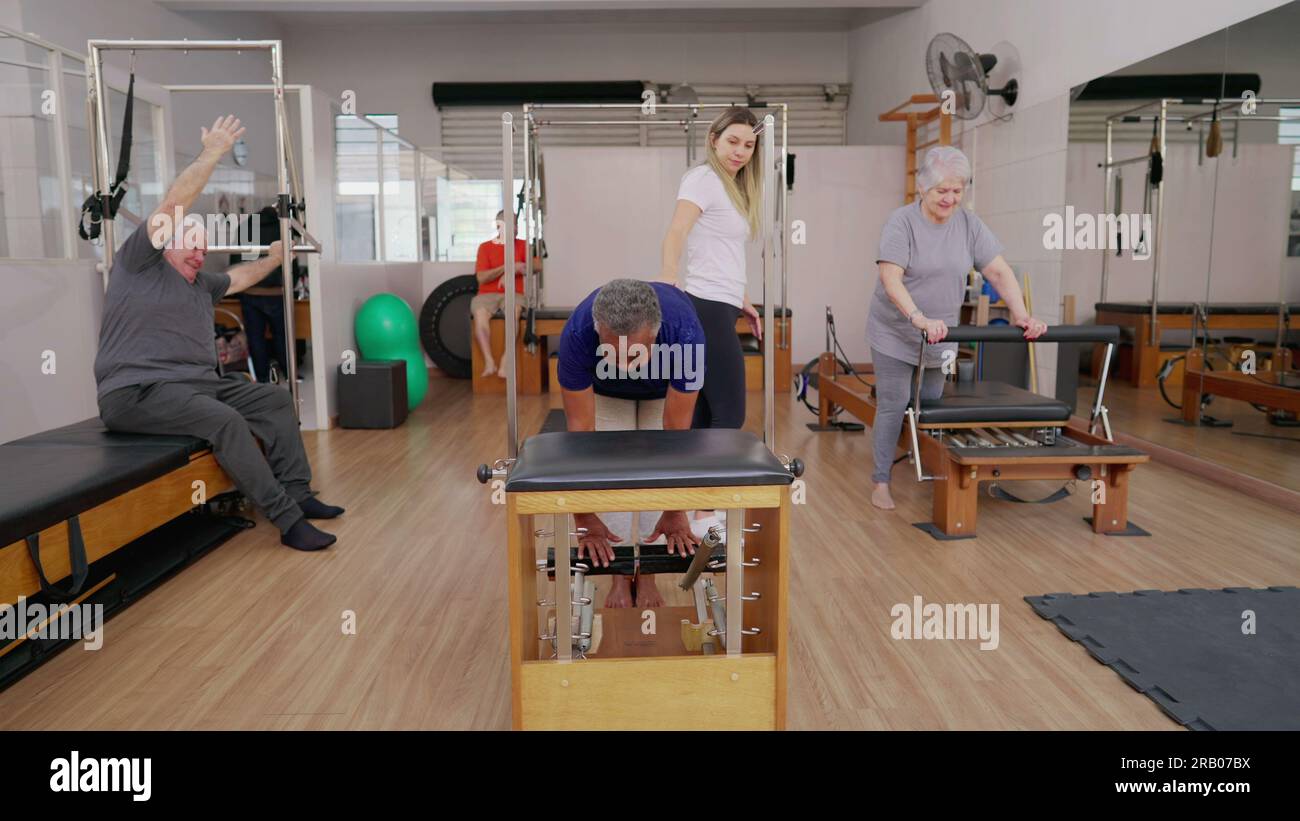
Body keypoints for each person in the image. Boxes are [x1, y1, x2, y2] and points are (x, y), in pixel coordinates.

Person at [94, 115, 343, 551]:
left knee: (274, 398)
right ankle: (287, 520)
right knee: (226, 421)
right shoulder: (138, 265)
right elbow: (173, 204)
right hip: (136, 392)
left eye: (203, 246)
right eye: (192, 244)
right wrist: (212, 153)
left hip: (197, 385)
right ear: (166, 243)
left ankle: (299, 493)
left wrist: (274, 259)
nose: (200, 252)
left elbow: (240, 277)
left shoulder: (200, 284)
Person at [869, 145, 1048, 511]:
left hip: (941, 334)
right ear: (922, 187)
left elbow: (998, 271)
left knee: (931, 401)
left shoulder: (969, 225)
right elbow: (891, 278)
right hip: (895, 330)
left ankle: (927, 464)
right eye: (942, 190)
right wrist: (917, 317)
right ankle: (881, 480)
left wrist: (1021, 314)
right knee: (894, 402)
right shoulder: (901, 222)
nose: (950, 198)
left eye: (957, 190)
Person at [557, 278, 705, 608]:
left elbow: (676, 434)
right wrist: (584, 517)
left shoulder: (685, 332)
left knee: (657, 470)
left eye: (634, 353)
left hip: (662, 391)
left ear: (655, 333)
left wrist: (675, 508)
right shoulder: (578, 332)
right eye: (615, 352)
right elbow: (580, 431)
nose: (625, 366)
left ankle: (647, 573)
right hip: (605, 392)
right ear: (598, 329)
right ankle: (621, 576)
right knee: (609, 474)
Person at [660, 106, 763, 430]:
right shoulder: (703, 178)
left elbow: (724, 252)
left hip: (723, 304)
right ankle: (712, 468)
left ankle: (687, 465)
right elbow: (677, 230)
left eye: (748, 145)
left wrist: (742, 299)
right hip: (708, 306)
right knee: (730, 416)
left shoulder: (732, 187)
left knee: (704, 414)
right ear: (714, 139)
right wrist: (667, 277)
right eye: (733, 141)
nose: (740, 151)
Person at [228, 205, 294, 382]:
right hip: (276, 293)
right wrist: (291, 284)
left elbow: (235, 260)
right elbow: (291, 261)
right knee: (282, 336)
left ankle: (261, 377)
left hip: (250, 292)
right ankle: (289, 373)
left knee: (255, 337)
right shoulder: (282, 229)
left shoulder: (245, 227)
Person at [472, 210, 542, 378]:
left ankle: (505, 361)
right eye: (510, 225)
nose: (515, 228)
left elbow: (537, 267)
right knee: (480, 316)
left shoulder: (523, 245)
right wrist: (508, 267)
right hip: (487, 294)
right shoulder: (485, 247)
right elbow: (481, 277)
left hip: (514, 293)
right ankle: (489, 361)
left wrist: (519, 267)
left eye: (516, 224)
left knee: (514, 312)